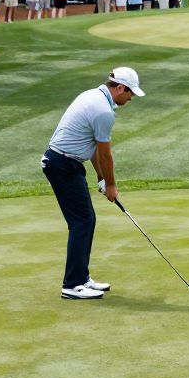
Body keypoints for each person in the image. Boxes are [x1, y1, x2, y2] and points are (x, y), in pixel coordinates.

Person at [41, 67, 145, 299]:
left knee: (85, 220)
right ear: (119, 88)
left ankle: (81, 278)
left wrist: (100, 177)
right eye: (130, 93)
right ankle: (72, 285)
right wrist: (111, 185)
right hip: (62, 165)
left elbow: (94, 150)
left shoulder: (92, 96)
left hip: (66, 163)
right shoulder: (103, 112)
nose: (131, 98)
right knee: (82, 222)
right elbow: (106, 154)